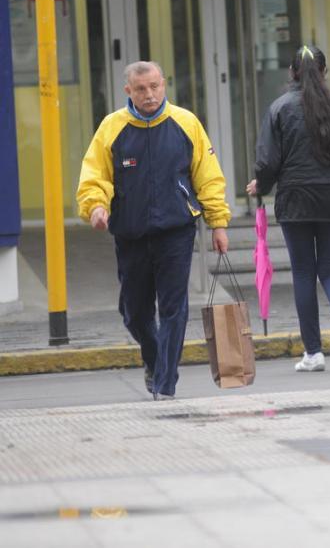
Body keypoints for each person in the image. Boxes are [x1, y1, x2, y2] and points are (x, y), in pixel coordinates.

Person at [77, 61, 231, 400]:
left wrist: (217, 222)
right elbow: (95, 176)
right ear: (128, 91)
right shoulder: (112, 127)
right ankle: (154, 358)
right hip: (130, 234)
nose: (150, 95)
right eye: (142, 89)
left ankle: (165, 385)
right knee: (133, 312)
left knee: (174, 309)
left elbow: (208, 176)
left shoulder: (185, 123)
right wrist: (96, 206)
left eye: (155, 86)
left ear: (164, 84)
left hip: (176, 230)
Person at [246, 46, 330, 372]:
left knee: (303, 273)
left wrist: (262, 184)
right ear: (324, 72)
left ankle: (313, 352)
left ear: (292, 72)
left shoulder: (279, 108)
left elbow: (268, 160)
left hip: (295, 200)